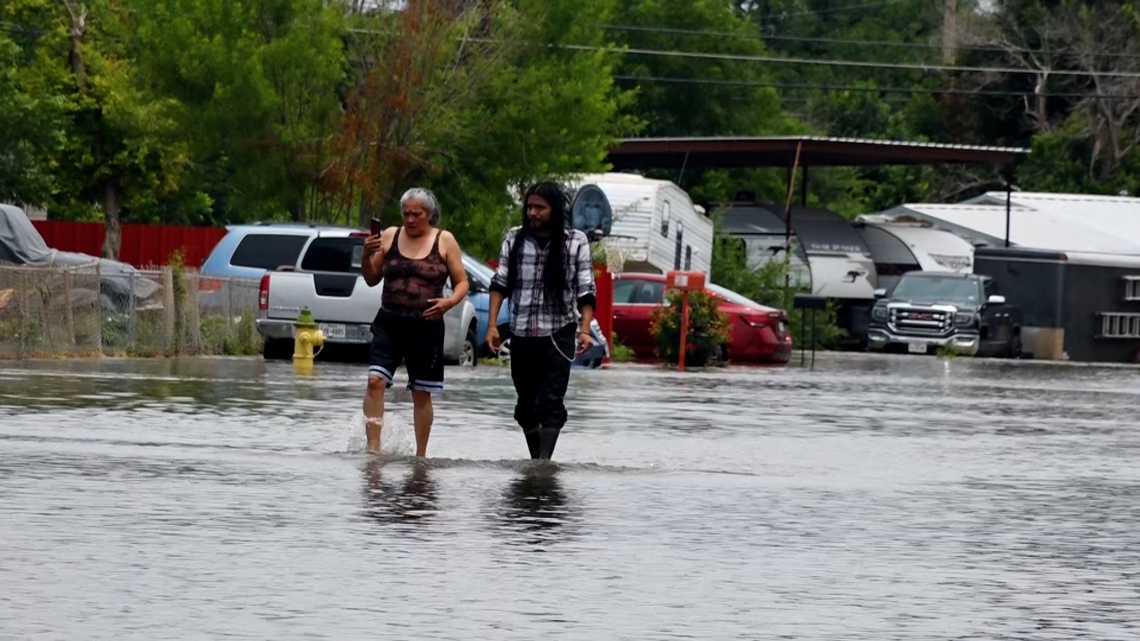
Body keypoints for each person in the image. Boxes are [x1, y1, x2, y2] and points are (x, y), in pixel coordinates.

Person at [486, 181, 596, 461]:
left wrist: (585, 329)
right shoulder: (514, 239)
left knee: (550, 402)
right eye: (529, 206)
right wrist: (491, 326)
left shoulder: (575, 242)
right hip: (521, 331)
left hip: (558, 332)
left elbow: (586, 289)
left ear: (554, 210)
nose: (533, 212)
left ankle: (543, 466)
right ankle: (537, 460)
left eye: (540, 207)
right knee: (525, 407)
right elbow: (500, 282)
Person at [361, 188, 469, 457]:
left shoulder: (444, 240)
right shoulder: (390, 236)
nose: (410, 219)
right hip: (389, 323)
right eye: (406, 213)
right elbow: (372, 278)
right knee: (375, 381)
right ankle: (373, 449)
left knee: (421, 392)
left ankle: (420, 454)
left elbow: (462, 282)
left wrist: (449, 303)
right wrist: (365, 255)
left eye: (416, 214)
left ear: (429, 215)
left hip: (426, 326)